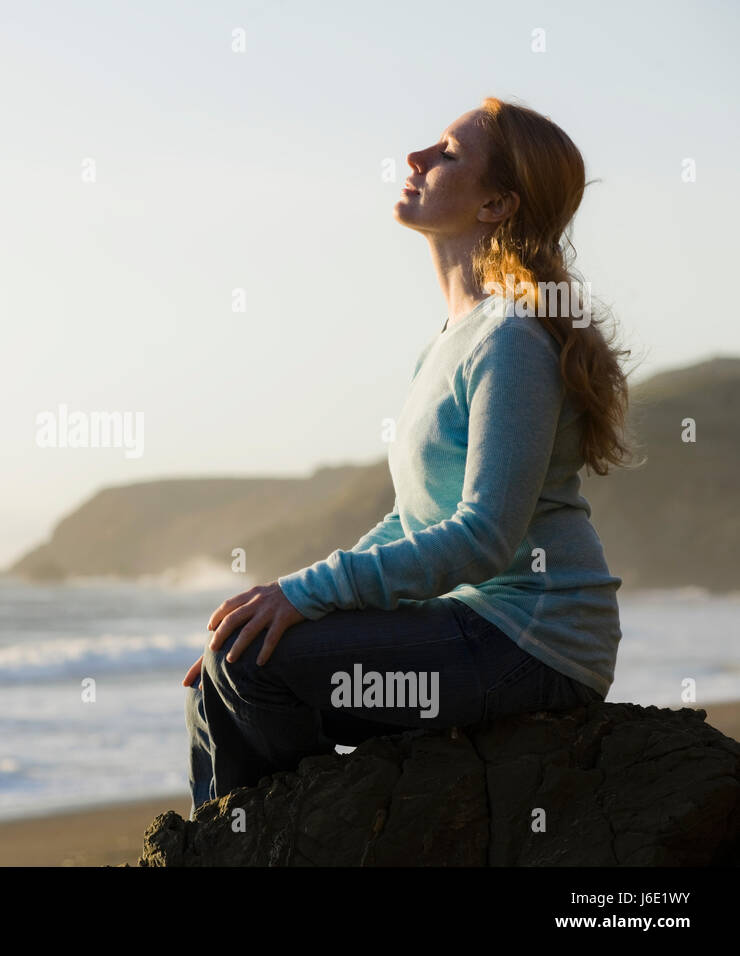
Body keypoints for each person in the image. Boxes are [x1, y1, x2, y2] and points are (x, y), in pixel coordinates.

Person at [182, 97, 636, 819]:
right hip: (475, 628)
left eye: (448, 153)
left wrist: (301, 601)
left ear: (496, 203)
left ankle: (289, 841)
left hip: (532, 643)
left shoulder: (513, 340)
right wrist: (287, 605)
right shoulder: (453, 337)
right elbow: (410, 520)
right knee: (235, 667)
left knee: (255, 674)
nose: (416, 158)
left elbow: (481, 537)